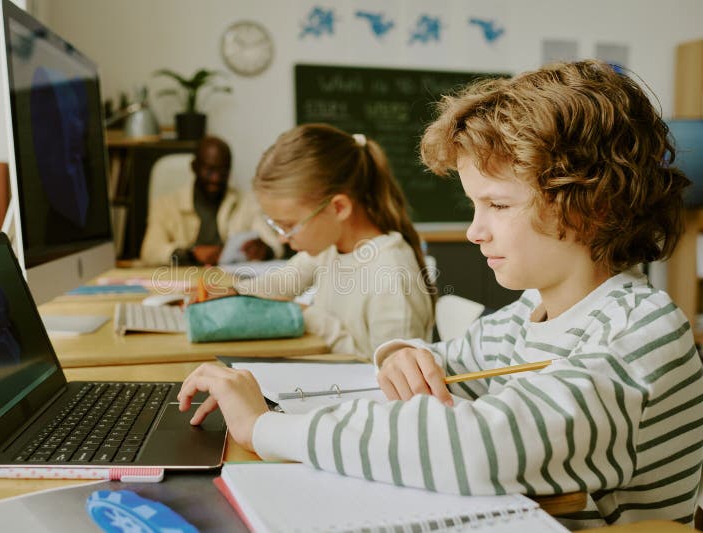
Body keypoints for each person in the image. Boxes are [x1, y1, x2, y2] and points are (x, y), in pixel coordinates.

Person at [177, 60, 703, 529]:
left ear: (593, 206)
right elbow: (446, 361)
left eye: (496, 206)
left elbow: (477, 448)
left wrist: (264, 428)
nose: (475, 232)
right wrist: (405, 356)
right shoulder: (530, 313)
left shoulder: (639, 335)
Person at [228, 123, 436, 360]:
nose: (281, 238)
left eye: (289, 225)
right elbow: (280, 284)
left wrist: (307, 316)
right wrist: (230, 292)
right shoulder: (331, 247)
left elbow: (388, 376)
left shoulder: (392, 276)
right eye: (277, 225)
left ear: (338, 208)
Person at [140, 136, 280, 266]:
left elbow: (274, 245)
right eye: (209, 170)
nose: (216, 178)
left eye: (223, 171)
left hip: (228, 279)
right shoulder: (166, 204)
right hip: (184, 278)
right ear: (194, 167)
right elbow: (149, 252)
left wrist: (264, 250)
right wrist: (190, 254)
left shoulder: (247, 201)